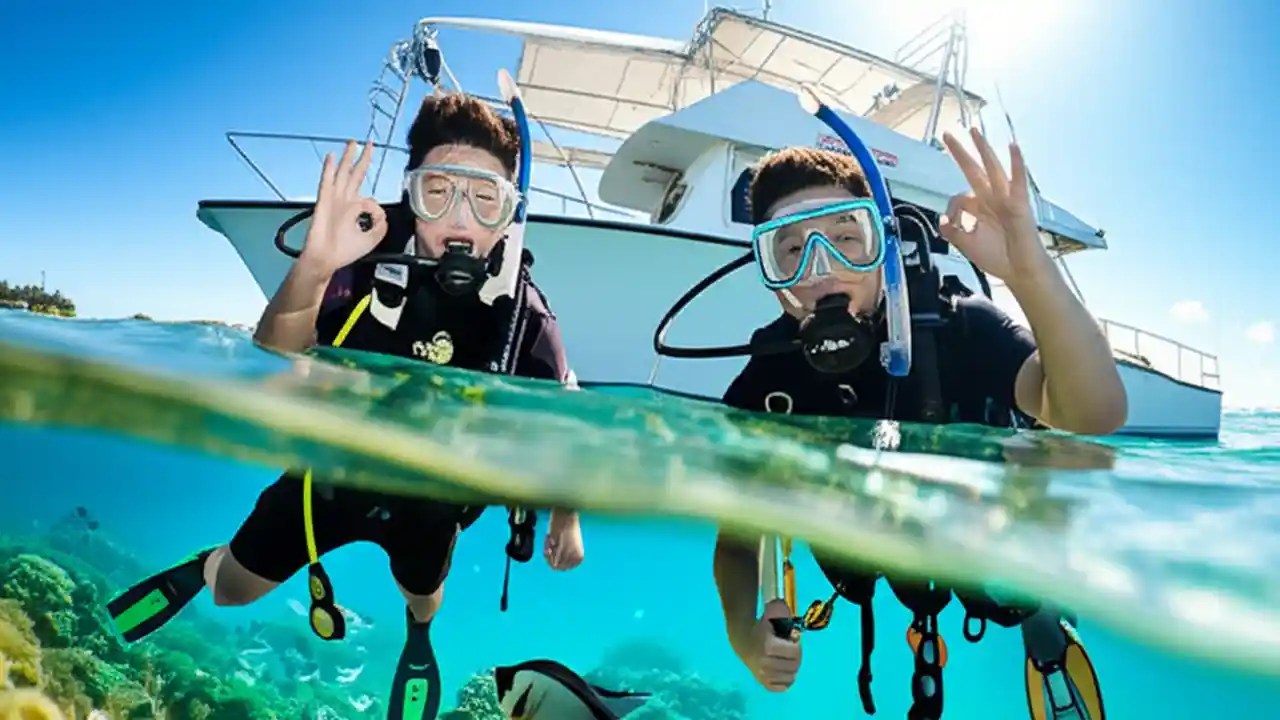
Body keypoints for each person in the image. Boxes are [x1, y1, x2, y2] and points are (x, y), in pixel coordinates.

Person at [106, 91, 586, 720]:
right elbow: (276, 353)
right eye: (437, 191)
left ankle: (418, 636)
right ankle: (209, 564)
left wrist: (566, 517)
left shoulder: (525, 315)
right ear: (410, 195)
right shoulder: (364, 263)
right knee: (231, 595)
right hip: (327, 480)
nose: (459, 217)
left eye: (485, 197)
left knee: (424, 598)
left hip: (433, 504)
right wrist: (314, 264)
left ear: (507, 216)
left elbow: (568, 406)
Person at [711, 125, 1123, 719]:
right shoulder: (767, 381)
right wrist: (741, 634)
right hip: (864, 559)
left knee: (1008, 596)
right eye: (792, 249)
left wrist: (1029, 272)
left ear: (884, 243)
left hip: (974, 539)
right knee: (851, 566)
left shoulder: (959, 327)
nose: (822, 268)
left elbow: (1096, 412)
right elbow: (736, 539)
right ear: (768, 269)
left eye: (846, 237)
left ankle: (1042, 621)